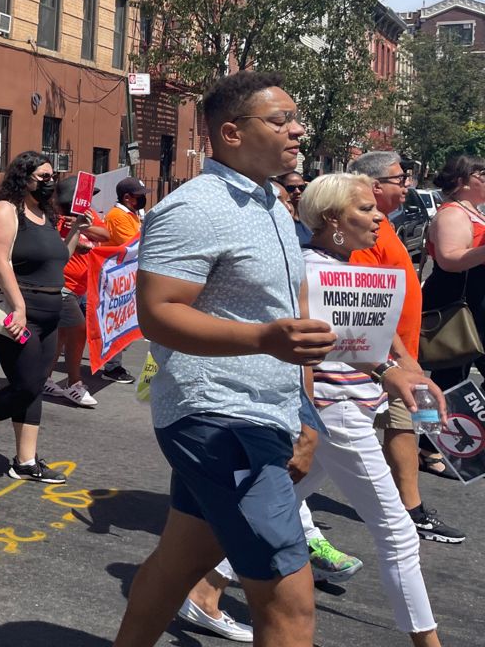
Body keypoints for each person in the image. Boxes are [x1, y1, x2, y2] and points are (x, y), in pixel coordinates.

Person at [110, 72, 345, 647]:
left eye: (296, 118)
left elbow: (289, 321)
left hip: (265, 411)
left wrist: (303, 411)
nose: (298, 130)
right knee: (290, 602)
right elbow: (159, 314)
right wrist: (263, 339)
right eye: (281, 119)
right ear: (232, 133)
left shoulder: (272, 203)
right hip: (218, 419)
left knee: (177, 565)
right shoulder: (194, 207)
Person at [296, 172, 445, 646]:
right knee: (399, 535)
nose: (379, 215)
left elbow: (380, 334)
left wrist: (413, 373)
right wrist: (307, 419)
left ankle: (206, 584)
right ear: (332, 218)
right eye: (365, 209)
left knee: (279, 505)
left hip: (355, 408)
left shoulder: (353, 265)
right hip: (333, 412)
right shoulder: (306, 269)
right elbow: (306, 352)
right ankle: (427, 641)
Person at [349, 152, 464, 544]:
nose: (407, 186)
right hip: (384, 354)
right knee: (399, 424)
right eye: (400, 179)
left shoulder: (385, 225)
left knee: (406, 427)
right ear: (374, 185)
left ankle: (411, 497)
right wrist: (401, 356)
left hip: (399, 350)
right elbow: (364, 302)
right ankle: (411, 510)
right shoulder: (362, 231)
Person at [0, 151, 81, 484]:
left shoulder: (45, 215)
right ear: (23, 178)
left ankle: (25, 460)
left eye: (52, 176)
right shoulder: (6, 210)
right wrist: (20, 307)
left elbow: (57, 261)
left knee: (34, 386)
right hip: (18, 314)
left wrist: (77, 231)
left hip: (51, 311)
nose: (49, 183)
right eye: (43, 177)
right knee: (26, 384)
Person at [43, 175, 112, 408]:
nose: (89, 201)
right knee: (78, 330)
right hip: (62, 284)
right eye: (84, 197)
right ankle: (74, 384)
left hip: (81, 287)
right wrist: (73, 228)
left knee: (61, 336)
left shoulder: (87, 215)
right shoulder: (54, 218)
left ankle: (44, 378)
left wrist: (84, 224)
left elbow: (105, 235)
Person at [423, 154, 485, 392]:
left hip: (473, 307)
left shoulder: (472, 212)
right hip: (460, 309)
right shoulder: (453, 213)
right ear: (463, 181)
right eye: (483, 174)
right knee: (452, 379)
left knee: (454, 378)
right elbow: (449, 259)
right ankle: (441, 427)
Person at [91, 177, 144, 385]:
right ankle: (112, 366)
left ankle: (112, 362)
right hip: (115, 278)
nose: (142, 199)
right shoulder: (117, 216)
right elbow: (134, 245)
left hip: (125, 278)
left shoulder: (130, 214)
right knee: (116, 321)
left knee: (123, 321)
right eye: (139, 196)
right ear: (127, 197)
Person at [276, 170, 312, 244]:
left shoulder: (312, 217)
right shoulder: (280, 220)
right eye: (291, 188)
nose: (298, 191)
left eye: (301, 187)